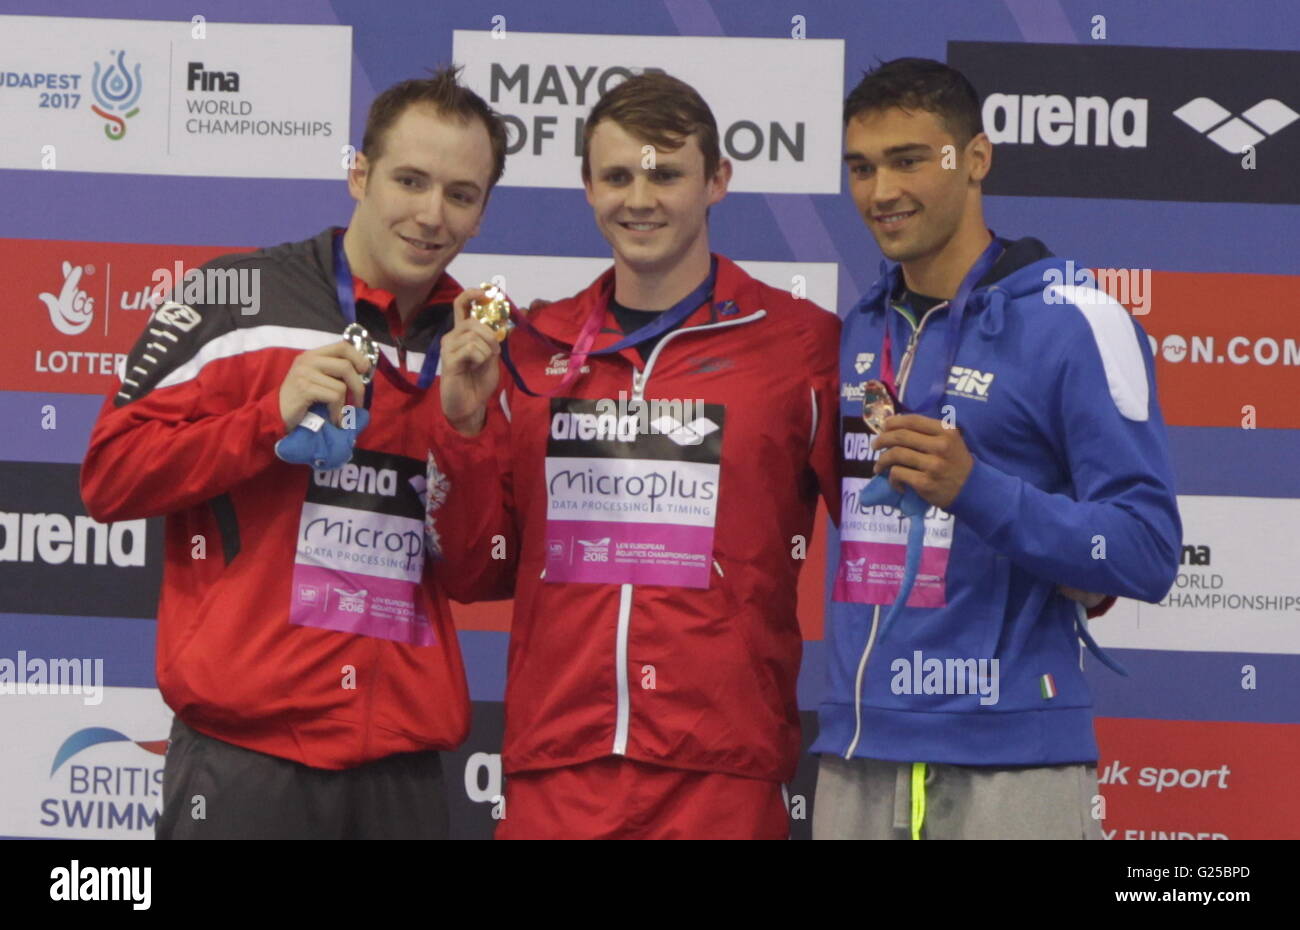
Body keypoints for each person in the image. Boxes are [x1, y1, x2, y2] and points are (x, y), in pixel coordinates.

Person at [79, 67, 508, 839]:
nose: (430, 214)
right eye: (409, 180)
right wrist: (264, 418)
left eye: (460, 195)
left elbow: (477, 573)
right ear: (358, 173)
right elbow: (109, 480)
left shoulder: (476, 348)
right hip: (246, 765)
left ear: (481, 215)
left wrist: (467, 435)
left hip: (399, 774)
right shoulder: (233, 299)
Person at [434, 72, 841, 839]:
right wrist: (461, 428)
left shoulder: (802, 345)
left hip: (721, 771)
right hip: (557, 768)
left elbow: (883, 535)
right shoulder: (531, 348)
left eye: (665, 173)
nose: (640, 198)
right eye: (617, 176)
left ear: (718, 180)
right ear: (587, 187)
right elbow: (474, 569)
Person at [812, 58, 1182, 840]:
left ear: (976, 159)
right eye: (861, 167)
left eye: (910, 160)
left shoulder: (1074, 319)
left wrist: (976, 487)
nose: (881, 192)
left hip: (1010, 756)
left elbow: (1147, 550)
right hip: (859, 749)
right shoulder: (859, 329)